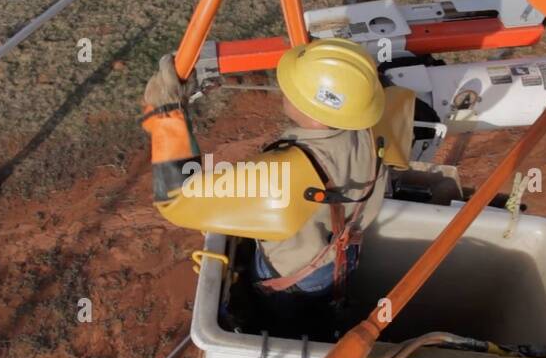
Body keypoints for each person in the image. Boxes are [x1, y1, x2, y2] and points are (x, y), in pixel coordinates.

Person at [141, 38, 391, 315]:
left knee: (276, 317)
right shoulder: (372, 125)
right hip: (340, 256)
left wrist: (166, 115)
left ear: (313, 109)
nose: (283, 87)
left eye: (292, 87)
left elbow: (178, 199)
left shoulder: (287, 173)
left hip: (294, 276)